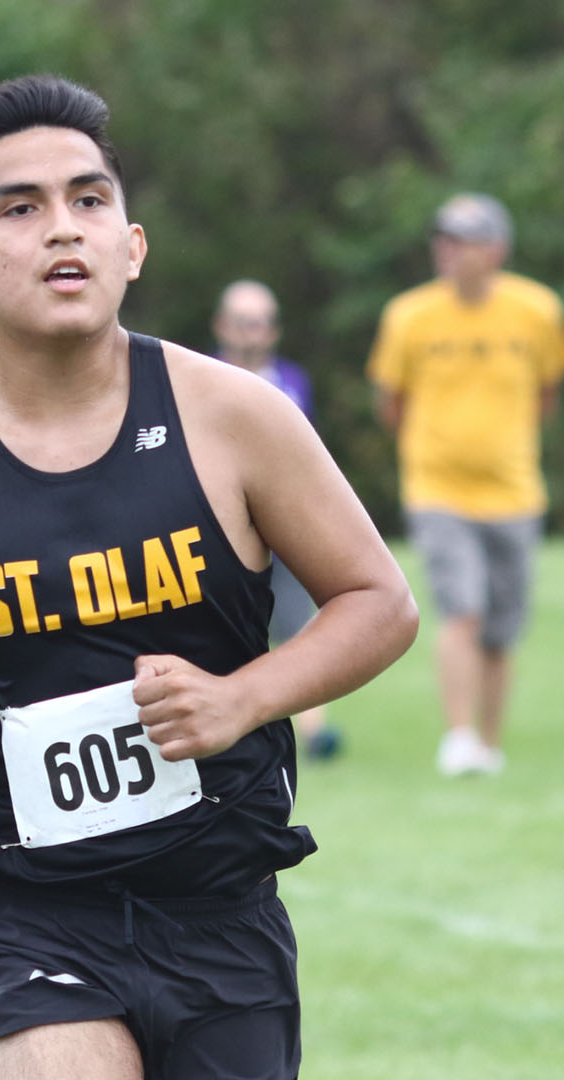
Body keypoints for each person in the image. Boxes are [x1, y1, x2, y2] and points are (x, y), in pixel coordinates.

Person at [0, 75, 416, 1080]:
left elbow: (379, 601)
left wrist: (239, 700)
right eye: (21, 208)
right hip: (20, 922)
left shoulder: (236, 417)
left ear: (133, 245)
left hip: (221, 914)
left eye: (90, 201)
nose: (62, 230)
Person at [366, 193, 564, 777]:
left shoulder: (537, 309)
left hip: (515, 491)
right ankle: (458, 738)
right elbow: (392, 401)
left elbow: (549, 390)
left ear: (496, 250)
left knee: (502, 627)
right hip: (438, 489)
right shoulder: (408, 315)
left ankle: (489, 744)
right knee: (460, 610)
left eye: (462, 241)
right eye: (444, 239)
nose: (449, 251)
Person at [211, 279, 342, 760]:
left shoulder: (291, 381)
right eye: (245, 321)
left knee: (299, 624)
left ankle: (314, 731)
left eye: (263, 322)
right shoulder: (198, 379)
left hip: (285, 523)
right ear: (223, 326)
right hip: (222, 529)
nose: (254, 332)